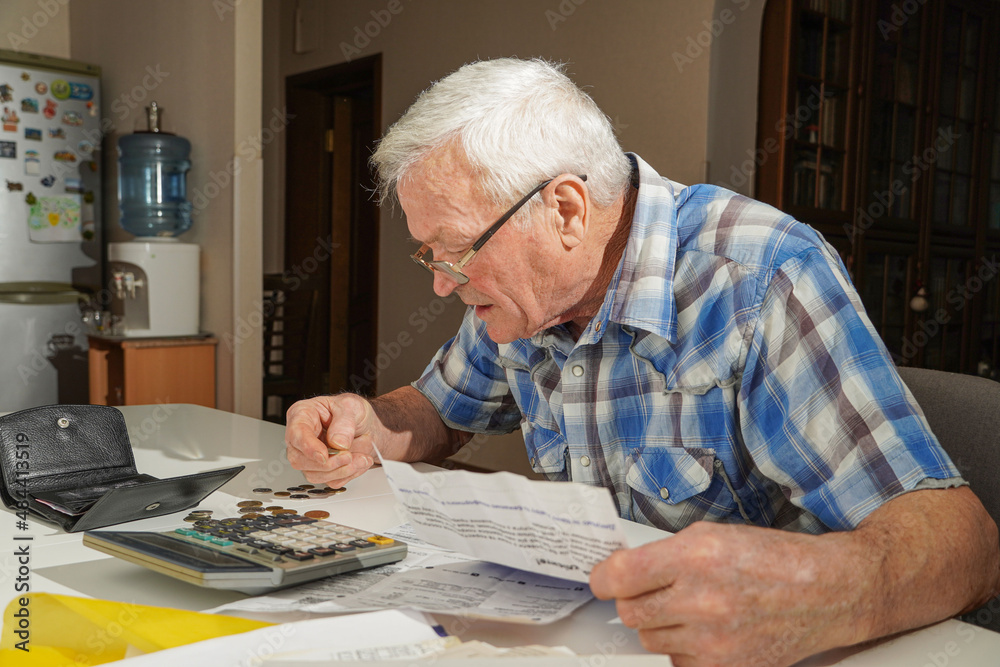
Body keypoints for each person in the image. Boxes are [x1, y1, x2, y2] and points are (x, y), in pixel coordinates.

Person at [285, 58, 999, 666]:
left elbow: (969, 546)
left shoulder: (760, 276)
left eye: (455, 250)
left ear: (564, 210)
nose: (441, 282)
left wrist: (820, 589)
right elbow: (436, 412)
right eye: (428, 255)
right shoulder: (523, 302)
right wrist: (370, 423)